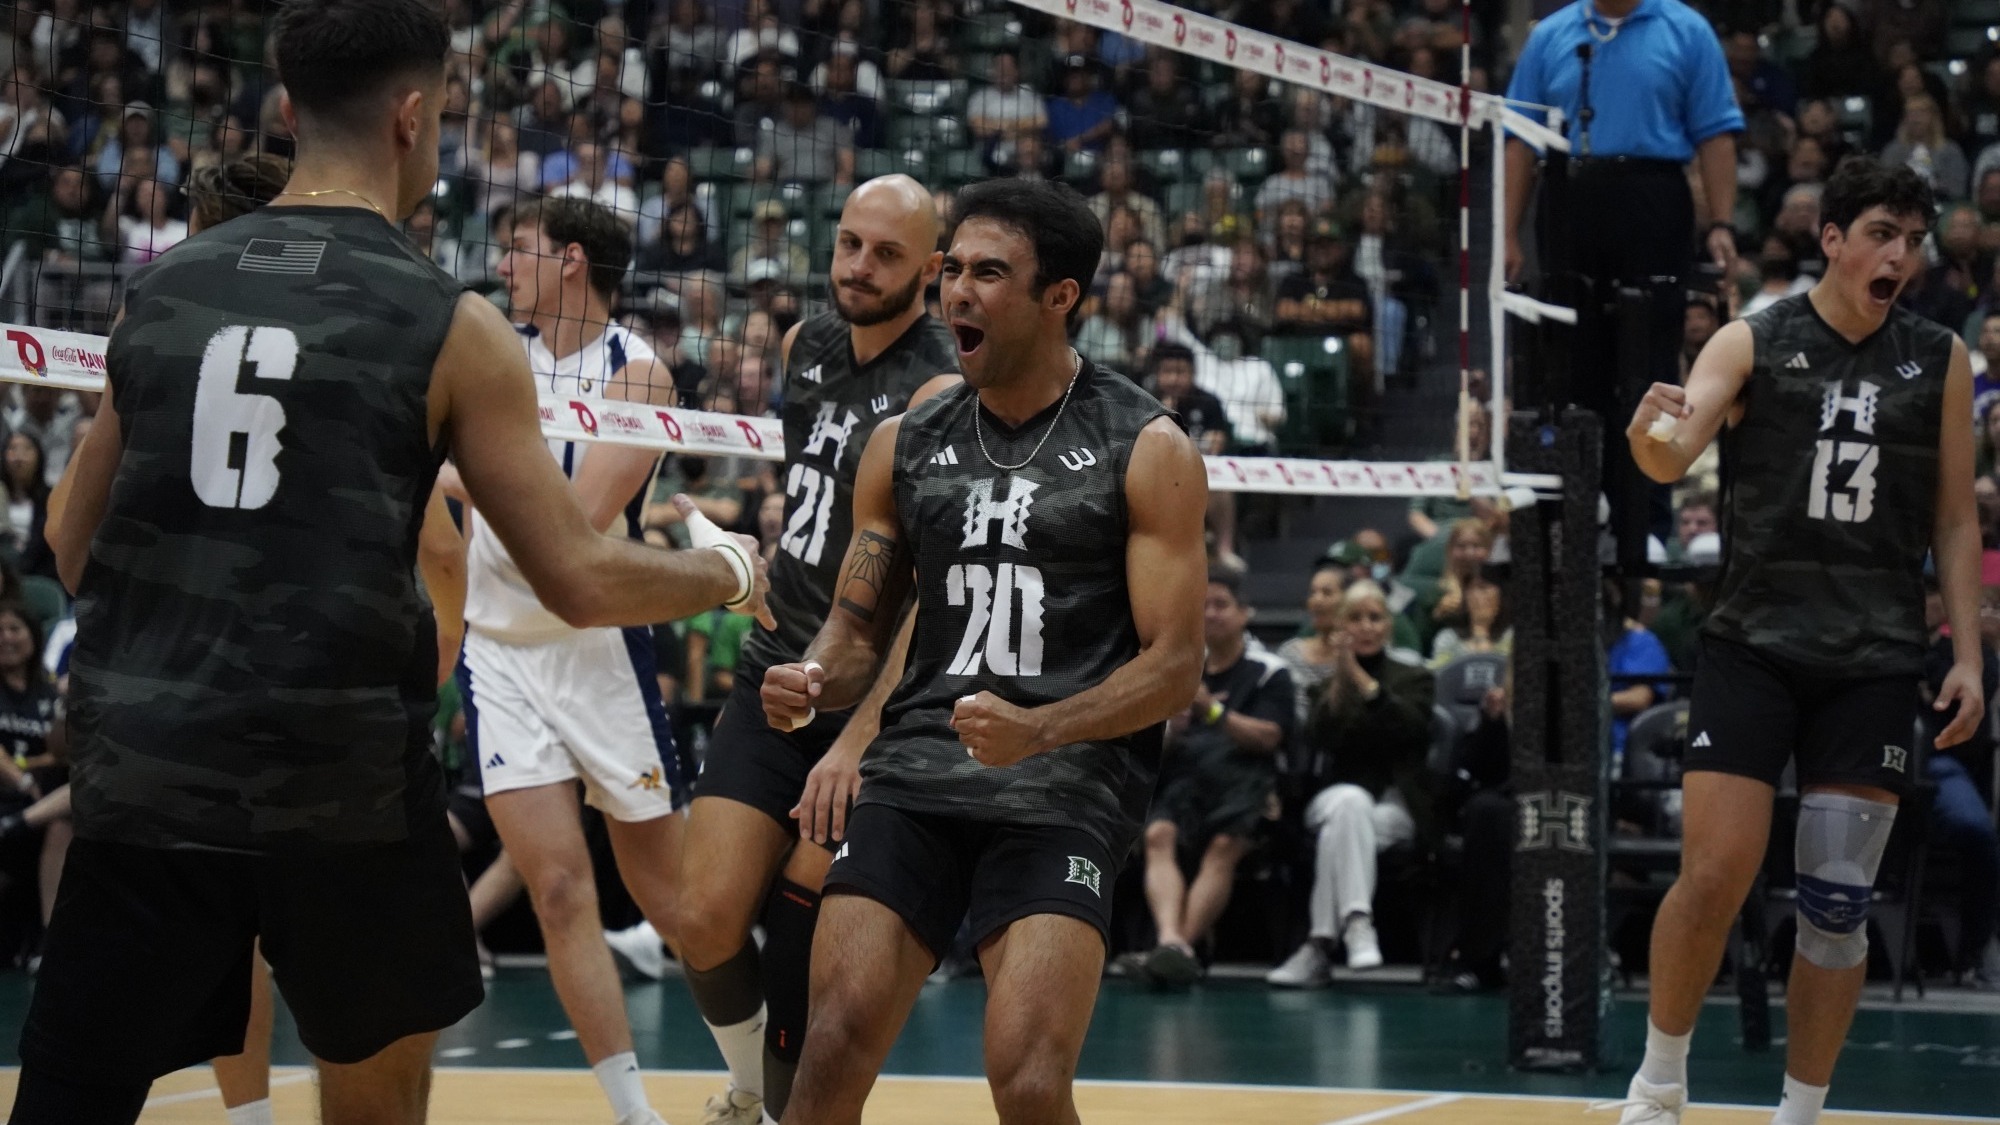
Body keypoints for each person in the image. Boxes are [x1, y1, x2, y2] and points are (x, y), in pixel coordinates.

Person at [14, 1, 772, 1121]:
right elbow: (576, 573)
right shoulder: (447, 319)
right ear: (414, 117)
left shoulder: (161, 289)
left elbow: (68, 548)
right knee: (376, 1092)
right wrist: (733, 575)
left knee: (72, 1096)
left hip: (149, 769)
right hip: (343, 785)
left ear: (286, 108)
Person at [760, 176, 1207, 1125]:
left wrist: (1039, 730)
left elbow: (1175, 668)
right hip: (916, 769)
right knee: (831, 1042)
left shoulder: (1146, 445)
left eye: (989, 272)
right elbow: (856, 627)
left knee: (1030, 1080)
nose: (956, 290)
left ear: (1060, 298)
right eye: (952, 268)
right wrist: (814, 675)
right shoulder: (906, 439)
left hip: (1065, 784)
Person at [1614, 156, 1983, 1125]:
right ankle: (1658, 1082)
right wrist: (1646, 440)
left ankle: (1801, 1112)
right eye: (1878, 236)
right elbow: (1674, 440)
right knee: (1713, 873)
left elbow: (1953, 518)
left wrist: (1969, 661)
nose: (1898, 255)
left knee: (1833, 907)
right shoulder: (1753, 339)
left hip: (1871, 659)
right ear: (1830, 239)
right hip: (1754, 644)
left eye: (1910, 240)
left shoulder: (1938, 356)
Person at [671, 174, 959, 1125]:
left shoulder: (941, 386)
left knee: (804, 920)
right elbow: (813, 493)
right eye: (849, 244)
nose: (860, 267)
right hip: (776, 662)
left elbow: (928, 583)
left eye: (886, 254)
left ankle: (796, 1112)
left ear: (930, 270)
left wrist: (857, 739)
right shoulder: (805, 346)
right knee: (702, 916)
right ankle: (755, 1089)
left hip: (875, 692)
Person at [450, 194, 699, 1125]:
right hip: (500, 653)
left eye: (519, 248)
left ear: (572, 261)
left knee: (675, 905)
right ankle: (636, 1113)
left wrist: (461, 468)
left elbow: (573, 534)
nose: (502, 264)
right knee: (557, 887)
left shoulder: (638, 375)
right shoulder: (487, 352)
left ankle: (762, 1074)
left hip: (598, 651)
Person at [1504, 0, 1744, 562]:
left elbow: (1716, 135)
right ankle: (1583, 515)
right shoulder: (1551, 36)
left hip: (1652, 199)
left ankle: (1649, 524)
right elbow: (1519, 137)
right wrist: (1508, 234)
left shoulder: (1687, 30)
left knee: (1652, 363)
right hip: (1567, 200)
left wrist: (1723, 225)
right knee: (1572, 368)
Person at [1267, 580, 1435, 987]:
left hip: (1397, 806)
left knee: (1340, 832)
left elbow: (1410, 729)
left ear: (1388, 625)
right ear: (1341, 628)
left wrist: (1361, 680)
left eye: (1374, 617)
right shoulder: (1327, 686)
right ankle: (1358, 923)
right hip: (1332, 797)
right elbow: (1319, 740)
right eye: (1356, 618)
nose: (1366, 627)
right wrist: (1343, 679)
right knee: (1350, 802)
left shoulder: (1415, 677)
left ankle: (1319, 946)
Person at [1135, 568, 1294, 989]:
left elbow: (1269, 737)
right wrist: (1173, 726)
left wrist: (1214, 712)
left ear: (1245, 613)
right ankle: (1172, 943)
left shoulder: (1269, 671)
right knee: (1157, 836)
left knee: (1224, 846)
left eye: (1221, 605)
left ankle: (1176, 950)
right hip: (1187, 774)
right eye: (1203, 605)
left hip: (1244, 779)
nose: (1210, 614)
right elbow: (1156, 745)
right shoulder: (1181, 667)